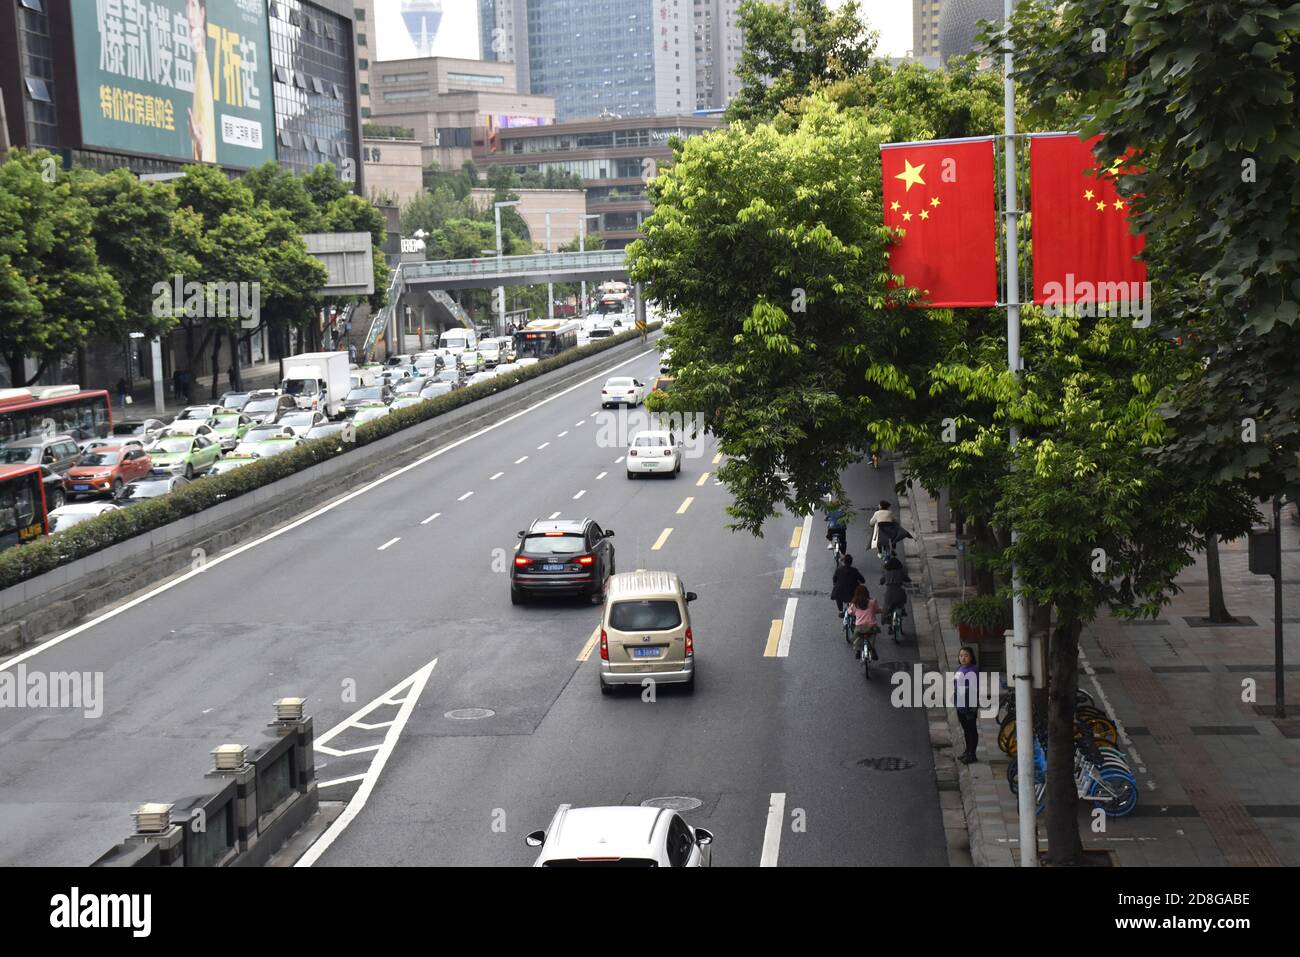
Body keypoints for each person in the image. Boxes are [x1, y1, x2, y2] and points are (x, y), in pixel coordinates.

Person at [955, 647, 980, 763]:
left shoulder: (973, 670)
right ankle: (967, 751)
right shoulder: (960, 668)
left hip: (969, 705)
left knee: (971, 729)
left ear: (971, 657)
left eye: (966, 655)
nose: (963, 658)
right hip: (960, 704)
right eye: (961, 655)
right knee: (966, 729)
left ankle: (972, 754)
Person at [848, 584, 881, 660]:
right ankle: (872, 649)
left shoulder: (855, 604)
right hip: (871, 627)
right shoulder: (872, 602)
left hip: (859, 627)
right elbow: (877, 610)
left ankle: (858, 650)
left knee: (855, 639)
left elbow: (850, 612)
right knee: (872, 637)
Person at [880, 555, 911, 626]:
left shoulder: (886, 572)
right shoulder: (901, 571)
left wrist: (881, 582)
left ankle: (886, 619)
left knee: (886, 605)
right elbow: (907, 579)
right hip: (899, 592)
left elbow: (882, 581)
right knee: (902, 601)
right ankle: (902, 610)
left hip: (889, 593)